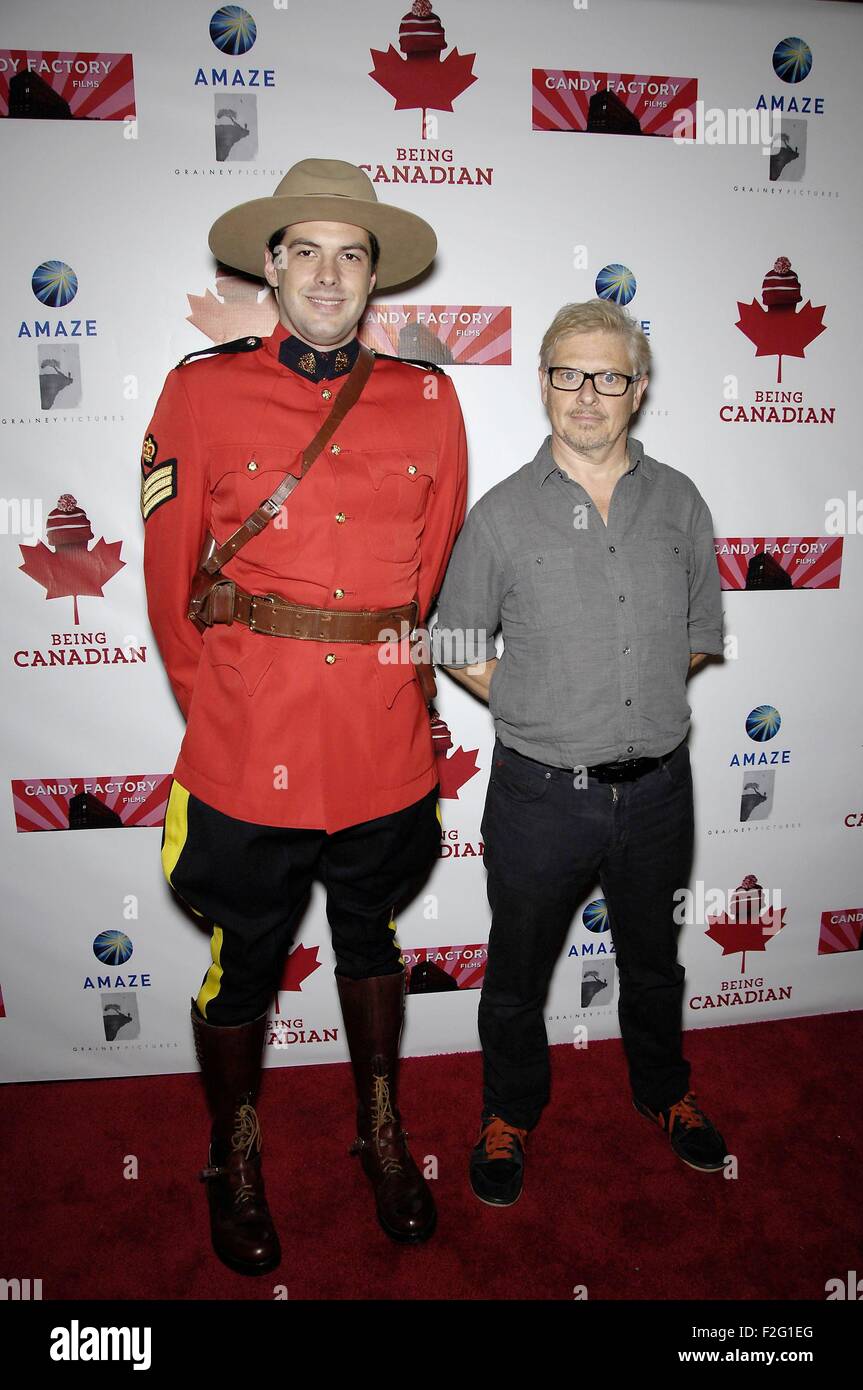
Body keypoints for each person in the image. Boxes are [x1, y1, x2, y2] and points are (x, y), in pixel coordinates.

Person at [141, 159, 467, 1271]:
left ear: (374, 276)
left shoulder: (430, 399)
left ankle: (379, 1136)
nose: (328, 274)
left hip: (379, 737)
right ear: (270, 265)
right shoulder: (200, 391)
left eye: (351, 253)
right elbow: (170, 583)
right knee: (244, 960)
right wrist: (227, 709)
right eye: (306, 250)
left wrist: (381, 682)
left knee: (369, 942)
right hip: (249, 741)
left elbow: (434, 576)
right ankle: (234, 1157)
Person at [433, 298, 727, 1206]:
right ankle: (507, 1114)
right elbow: (453, 643)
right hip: (538, 797)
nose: (587, 394)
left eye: (608, 376)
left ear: (637, 390)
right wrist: (544, 702)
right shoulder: (499, 515)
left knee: (654, 961)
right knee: (517, 972)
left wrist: (625, 697)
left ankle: (663, 1094)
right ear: (544, 384)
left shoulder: (678, 499)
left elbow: (696, 632)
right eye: (568, 374)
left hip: (658, 794)